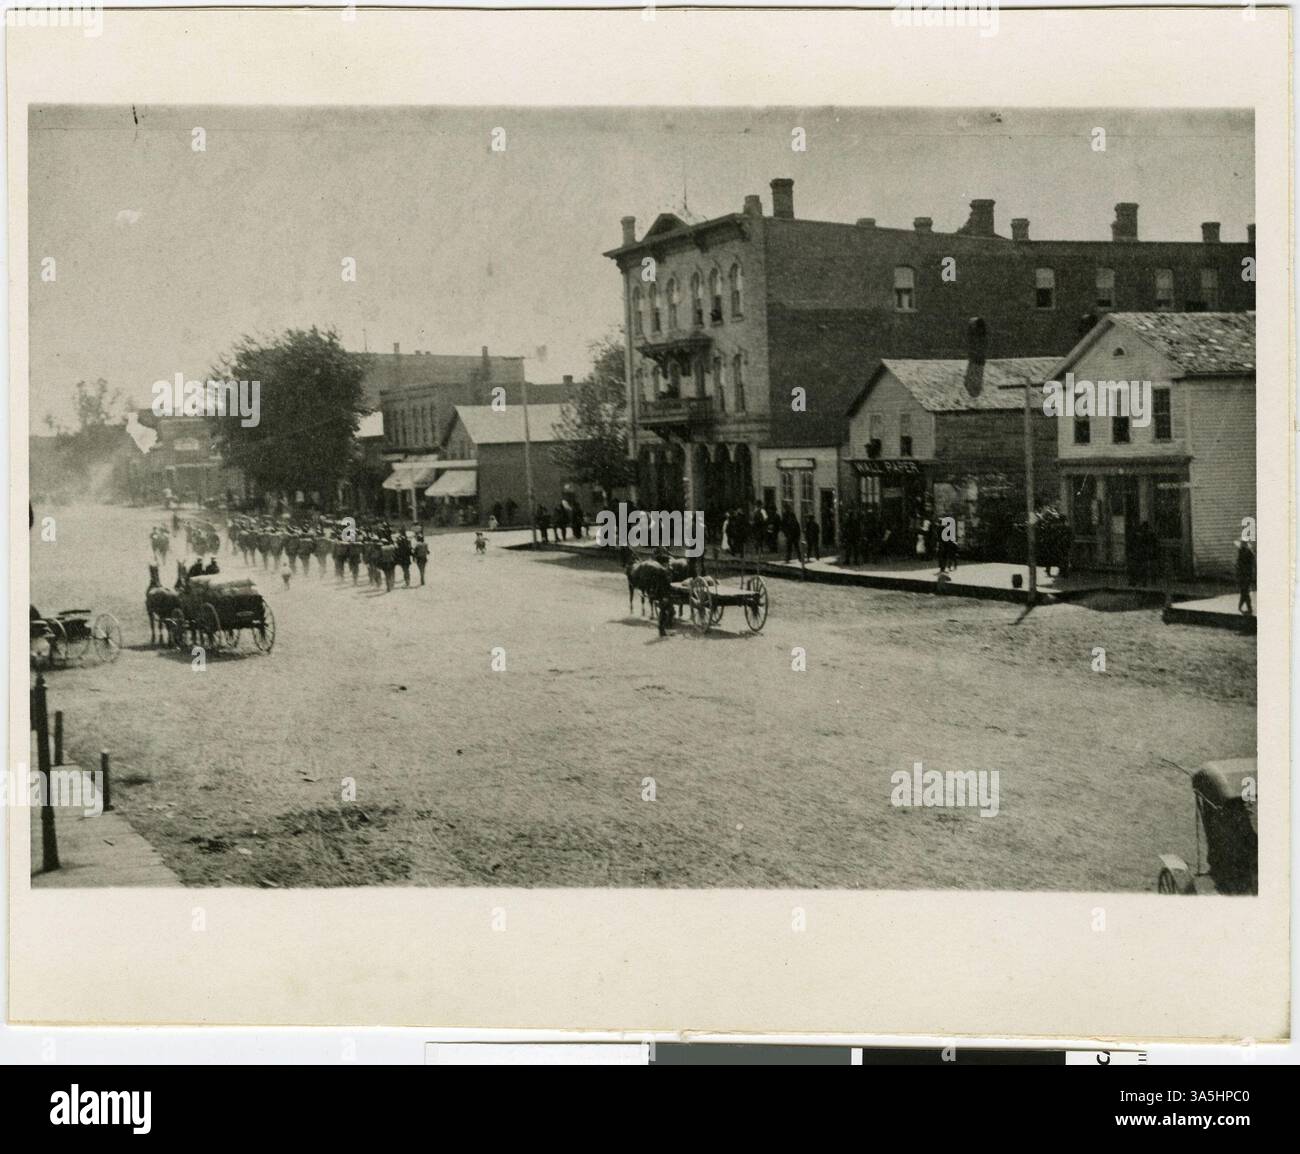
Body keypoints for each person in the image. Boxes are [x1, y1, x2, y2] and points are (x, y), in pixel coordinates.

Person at [1236, 539, 1255, 615]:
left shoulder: (1245, 553)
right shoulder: (1248, 552)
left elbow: (1242, 564)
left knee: (1244, 591)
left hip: (1244, 574)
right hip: (1246, 574)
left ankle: (1246, 607)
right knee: (1244, 591)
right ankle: (1242, 607)